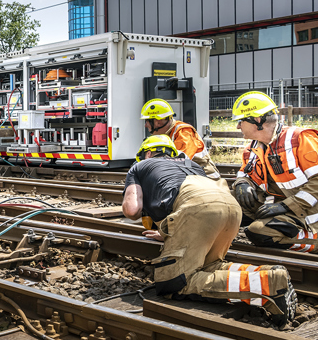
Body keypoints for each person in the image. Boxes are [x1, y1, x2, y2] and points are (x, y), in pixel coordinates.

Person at [123, 135, 296, 326]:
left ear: (147, 153)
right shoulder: (191, 164)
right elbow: (199, 198)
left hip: (199, 209)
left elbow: (132, 210)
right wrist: (170, 231)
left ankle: (266, 285)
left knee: (174, 282)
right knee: (208, 265)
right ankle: (267, 274)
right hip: (230, 207)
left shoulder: (139, 166)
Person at [231, 91, 318, 254]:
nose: (238, 126)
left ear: (257, 120)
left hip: (313, 204)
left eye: (241, 121)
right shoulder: (255, 147)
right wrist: (242, 183)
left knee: (260, 233)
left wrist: (286, 206)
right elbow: (244, 172)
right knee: (226, 205)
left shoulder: (300, 139)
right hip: (277, 201)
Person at [140, 99, 221, 180]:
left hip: (207, 179)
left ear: (158, 122)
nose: (145, 125)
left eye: (147, 121)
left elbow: (180, 162)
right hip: (193, 177)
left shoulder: (184, 132)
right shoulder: (167, 134)